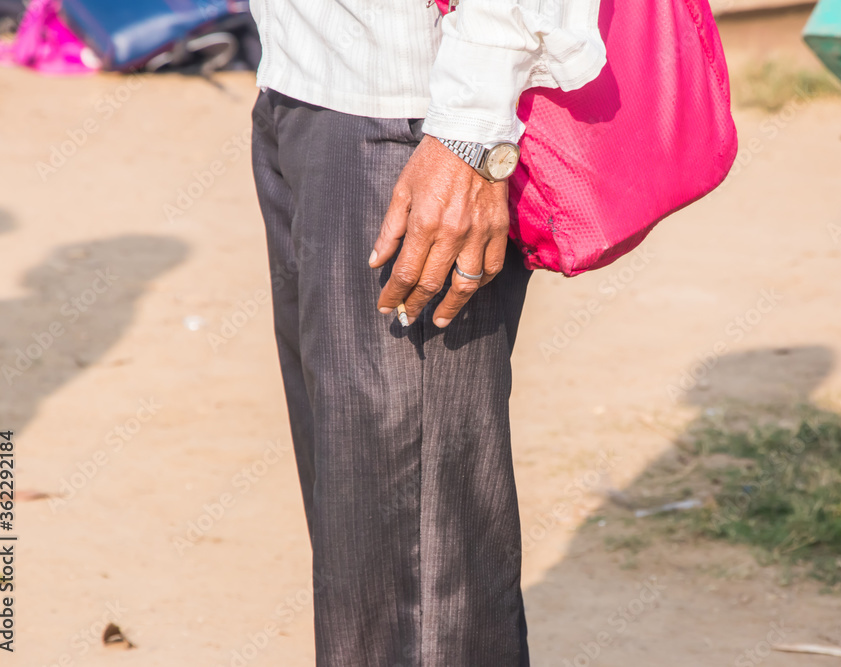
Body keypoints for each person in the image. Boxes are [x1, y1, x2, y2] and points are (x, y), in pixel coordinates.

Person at [248, 1, 605, 664]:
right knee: (366, 549)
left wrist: (471, 136)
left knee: (419, 583)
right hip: (303, 91)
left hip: (418, 127)